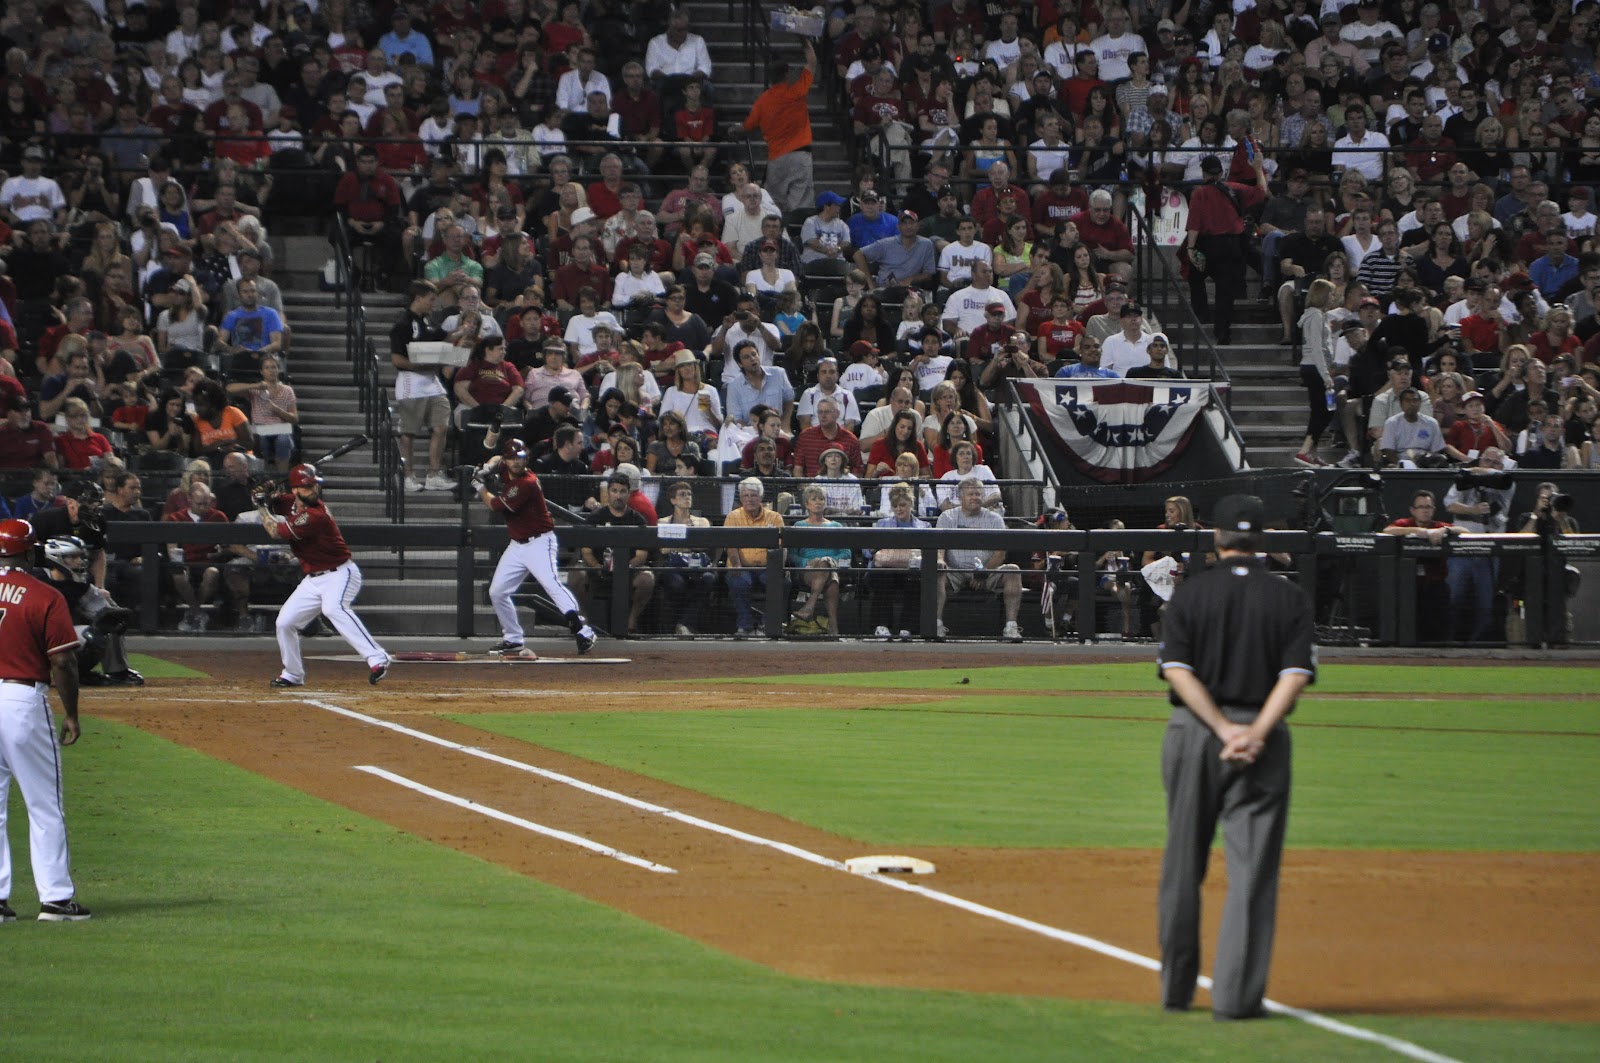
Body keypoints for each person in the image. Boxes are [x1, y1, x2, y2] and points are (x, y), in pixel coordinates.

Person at [1156, 493, 1316, 1021]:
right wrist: (1253, 731)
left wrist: (1221, 726)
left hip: (1194, 734)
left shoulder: (1191, 595)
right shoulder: (1288, 597)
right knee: (1251, 872)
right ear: (1261, 541)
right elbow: (1294, 675)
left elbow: (1178, 671)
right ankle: (1237, 999)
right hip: (1262, 740)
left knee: (1183, 863)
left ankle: (1177, 990)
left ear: (1217, 538)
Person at [0, 518, 92, 923]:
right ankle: (55, 899)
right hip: (22, 700)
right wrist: (70, 712)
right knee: (44, 805)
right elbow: (63, 661)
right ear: (32, 551)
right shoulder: (44, 594)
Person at [257, 464, 392, 687]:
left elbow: (273, 529)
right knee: (284, 623)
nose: (313, 490)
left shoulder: (315, 514)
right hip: (313, 579)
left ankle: (378, 658)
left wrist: (261, 505)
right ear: (296, 489)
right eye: (307, 486)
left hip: (340, 573)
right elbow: (273, 501)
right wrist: (264, 492)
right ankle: (292, 674)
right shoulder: (291, 501)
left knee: (333, 609)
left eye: (314, 486)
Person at [477, 440, 597, 658]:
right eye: (512, 458)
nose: (516, 462)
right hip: (517, 545)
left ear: (526, 459)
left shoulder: (527, 482)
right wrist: (488, 466)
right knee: (497, 591)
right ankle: (513, 638)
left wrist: (480, 487)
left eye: (520, 457)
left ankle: (583, 631)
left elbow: (496, 506)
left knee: (552, 584)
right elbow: (497, 460)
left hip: (540, 542)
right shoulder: (506, 467)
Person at [1184, 152, 1269, 346]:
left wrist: (1190, 247)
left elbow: (1194, 224)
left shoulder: (1199, 193)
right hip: (1232, 247)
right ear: (1221, 173)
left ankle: (1203, 316)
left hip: (1208, 245)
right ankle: (1223, 333)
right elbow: (1261, 191)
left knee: (1195, 278)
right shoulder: (1234, 189)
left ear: (1203, 173)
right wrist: (1257, 168)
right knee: (1225, 292)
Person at [35, 535, 141, 687]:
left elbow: (104, 612)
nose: (79, 561)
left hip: (57, 637)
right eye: (73, 557)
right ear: (56, 558)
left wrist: (113, 611)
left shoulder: (80, 585)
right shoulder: (34, 579)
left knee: (107, 626)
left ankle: (111, 672)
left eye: (80, 556)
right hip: (28, 638)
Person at [934, 477, 1023, 642]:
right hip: (955, 570)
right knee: (938, 570)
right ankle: (936, 625)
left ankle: (1011, 627)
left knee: (1013, 570)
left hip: (987, 570)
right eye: (971, 494)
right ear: (961, 497)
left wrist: (983, 572)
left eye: (978, 494)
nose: (975, 497)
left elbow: (1000, 553)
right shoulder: (947, 517)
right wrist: (940, 560)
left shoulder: (995, 518)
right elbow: (939, 548)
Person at [570, 475, 657, 636]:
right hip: (598, 570)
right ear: (608, 493)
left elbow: (641, 555)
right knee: (576, 574)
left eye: (623, 491)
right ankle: (583, 620)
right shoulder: (595, 517)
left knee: (647, 578)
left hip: (628, 571)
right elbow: (586, 551)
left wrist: (625, 567)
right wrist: (596, 566)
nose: (618, 495)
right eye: (614, 491)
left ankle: (631, 622)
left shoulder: (637, 519)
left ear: (629, 494)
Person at [738, 38, 818, 214]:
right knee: (801, 204)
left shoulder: (762, 101)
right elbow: (812, 62)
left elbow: (747, 127)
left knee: (773, 206)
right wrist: (804, 41)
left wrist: (735, 128)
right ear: (787, 73)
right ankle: (797, 237)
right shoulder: (797, 91)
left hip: (777, 158)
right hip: (800, 156)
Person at [723, 476, 787, 638]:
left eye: (753, 495)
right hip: (742, 566)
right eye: (746, 496)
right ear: (741, 498)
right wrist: (737, 565)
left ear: (761, 497)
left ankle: (768, 624)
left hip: (768, 567)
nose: (750, 499)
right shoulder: (733, 516)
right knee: (738, 580)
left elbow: (781, 546)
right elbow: (730, 546)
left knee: (782, 581)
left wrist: (777, 568)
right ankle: (745, 626)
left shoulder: (774, 517)